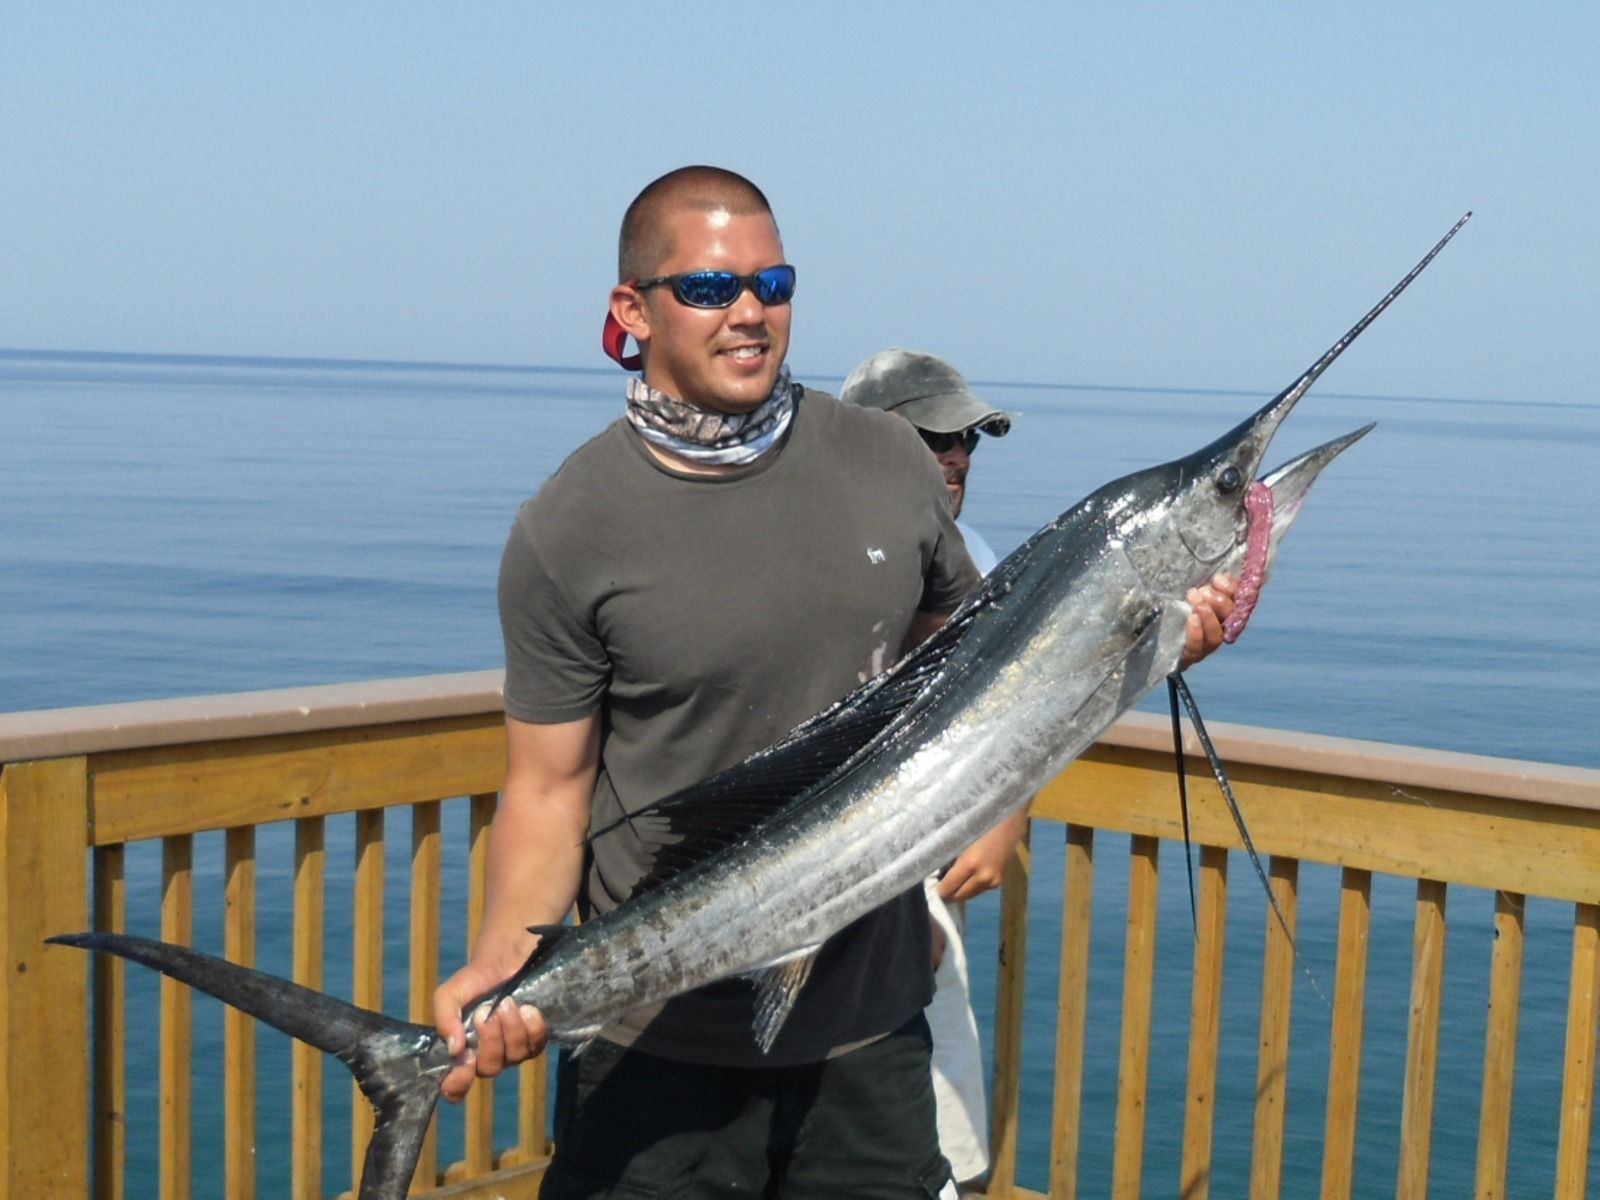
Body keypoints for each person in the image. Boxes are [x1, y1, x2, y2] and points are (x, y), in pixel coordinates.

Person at [433, 166, 1236, 1200]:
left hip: (869, 1028)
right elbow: (547, 786)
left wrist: (1153, 642)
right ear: (631, 310)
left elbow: (992, 671)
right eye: (711, 289)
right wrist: (507, 962)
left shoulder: (888, 461)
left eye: (773, 282)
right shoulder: (567, 528)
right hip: (652, 1040)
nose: (751, 313)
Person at [843, 348, 1238, 1192]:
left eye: (969, 442)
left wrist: (1012, 805)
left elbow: (1033, 707)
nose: (955, 458)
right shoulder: (818, 559)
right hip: (835, 877)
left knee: (937, 1135)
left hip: (916, 900)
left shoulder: (981, 557)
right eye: (933, 438)